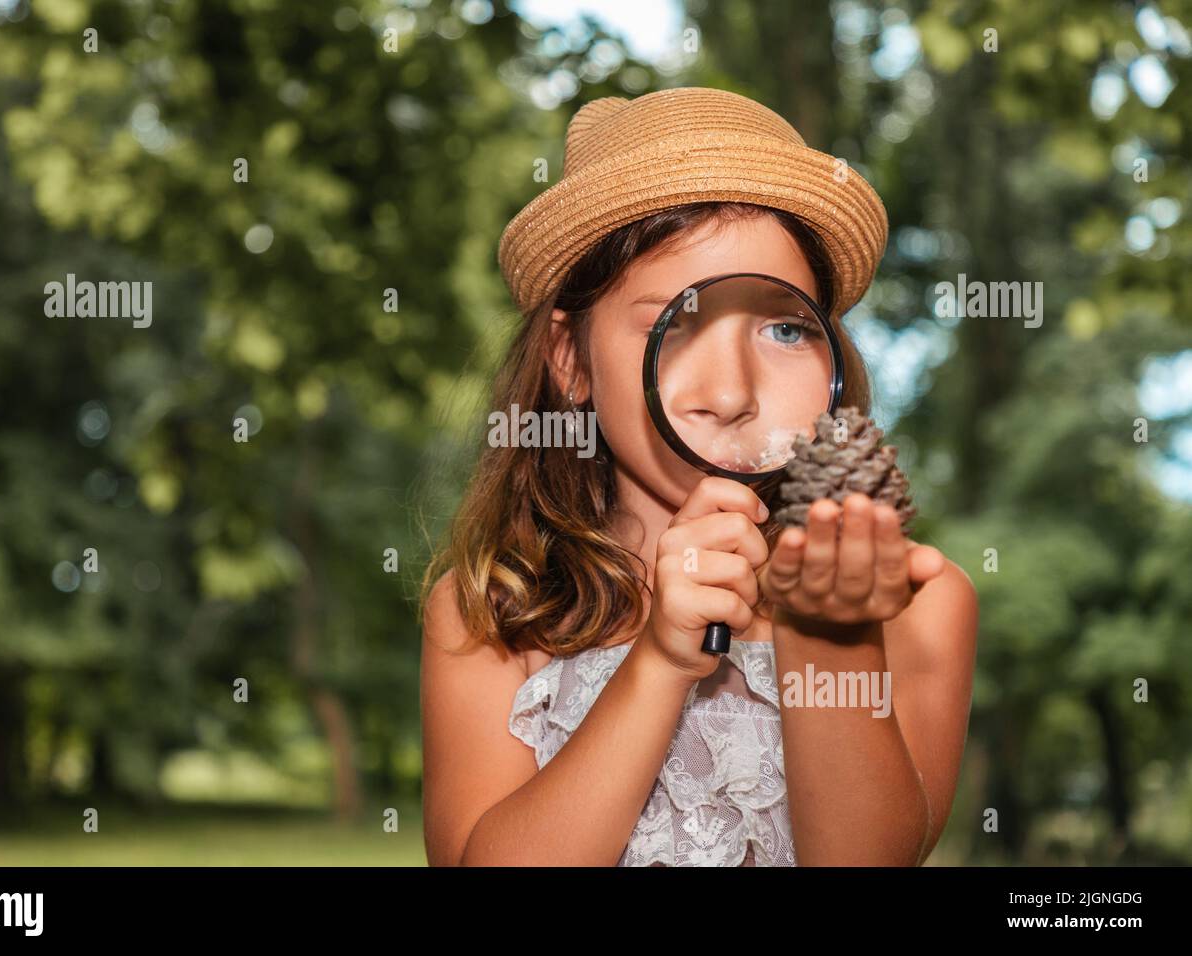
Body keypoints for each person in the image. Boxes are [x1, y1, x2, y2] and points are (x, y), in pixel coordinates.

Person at [419, 87, 979, 866]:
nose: (731, 393)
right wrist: (660, 665)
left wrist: (831, 635)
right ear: (571, 361)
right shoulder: (494, 608)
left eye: (785, 328)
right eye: (671, 326)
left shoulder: (917, 605)